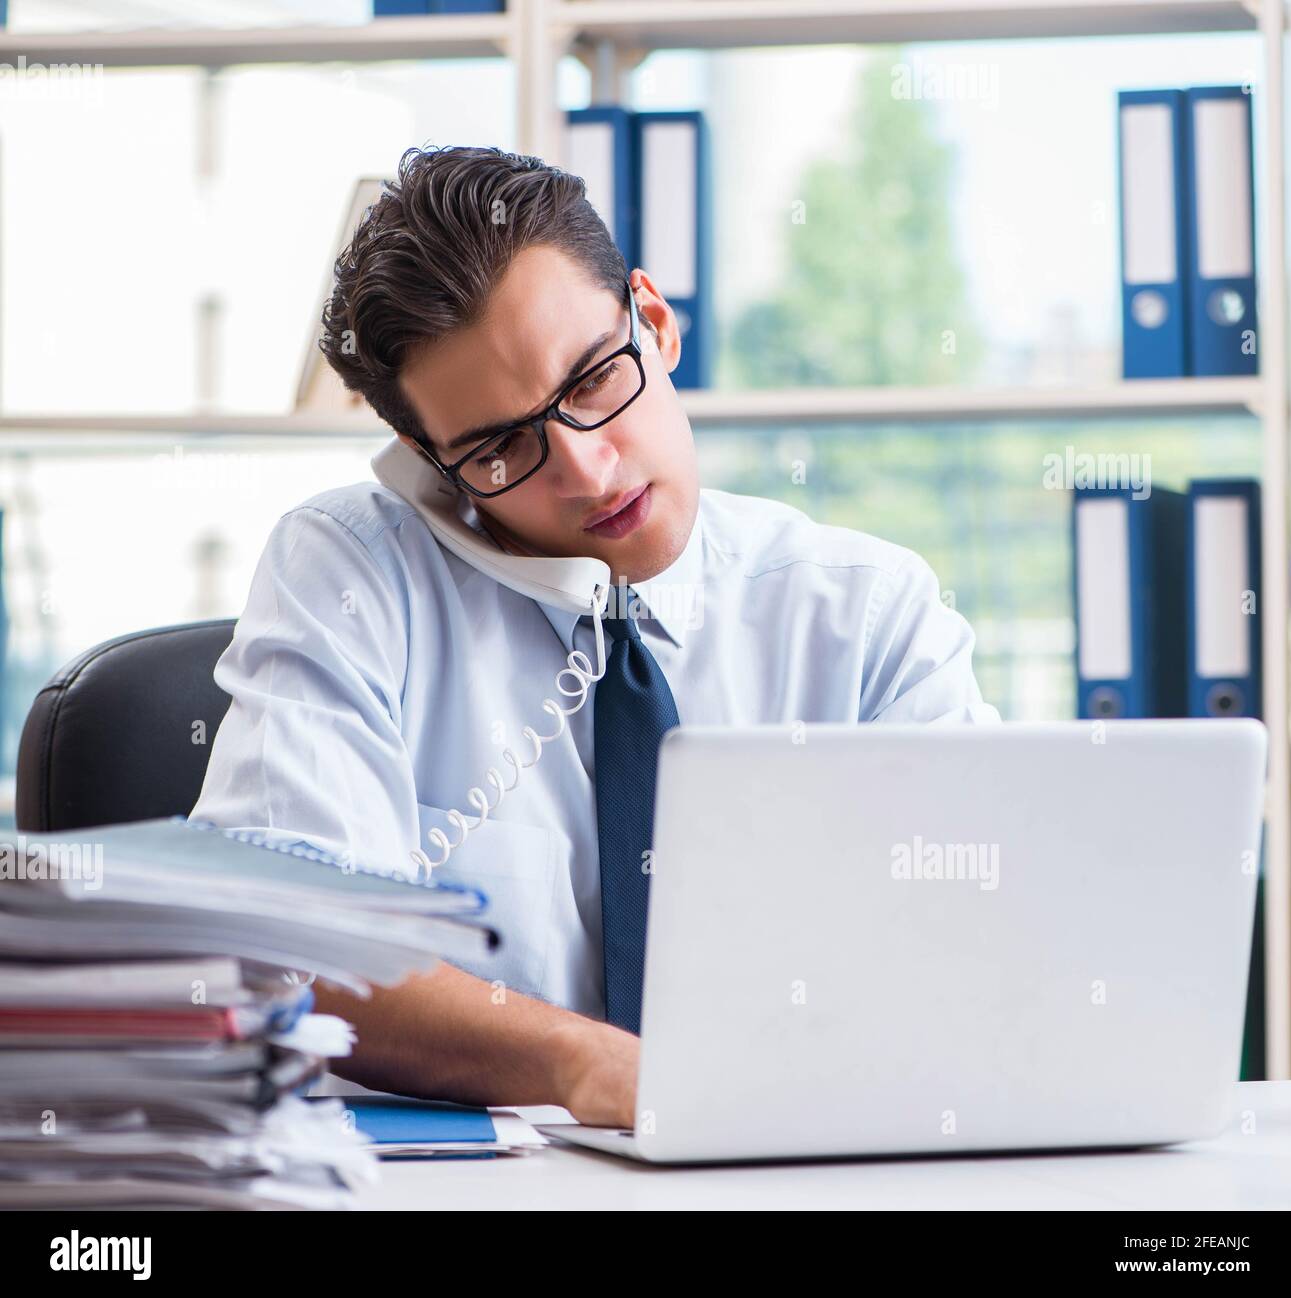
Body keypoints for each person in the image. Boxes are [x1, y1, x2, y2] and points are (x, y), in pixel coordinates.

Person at [190, 144, 1000, 1129]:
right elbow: (294, 942)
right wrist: (588, 1066)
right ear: (430, 463)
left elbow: (979, 944)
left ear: (653, 325)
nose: (581, 468)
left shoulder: (868, 616)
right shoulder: (352, 576)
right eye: (498, 446)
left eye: (590, 380)